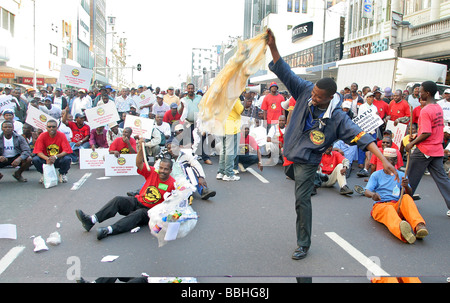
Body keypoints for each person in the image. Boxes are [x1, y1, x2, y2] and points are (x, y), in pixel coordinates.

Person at [266, 29, 398, 260]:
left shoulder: (338, 118)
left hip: (307, 160)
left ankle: (303, 244)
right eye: (313, 93)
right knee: (299, 185)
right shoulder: (306, 90)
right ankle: (316, 182)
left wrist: (384, 159)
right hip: (289, 156)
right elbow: (284, 71)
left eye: (318, 97)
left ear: (329, 97)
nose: (313, 98)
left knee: (302, 200)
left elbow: (362, 137)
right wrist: (273, 46)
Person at [75, 139, 176, 240]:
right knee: (118, 200)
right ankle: (91, 220)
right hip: (138, 201)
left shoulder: (172, 184)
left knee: (139, 213)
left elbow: (172, 206)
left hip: (149, 212)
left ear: (170, 170)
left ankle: (109, 230)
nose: (162, 171)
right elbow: (139, 164)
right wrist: (141, 148)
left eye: (166, 169)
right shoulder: (153, 172)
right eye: (161, 168)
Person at [405, 81, 450, 217]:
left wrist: (411, 144)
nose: (419, 92)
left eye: (422, 90)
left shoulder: (426, 110)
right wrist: (416, 136)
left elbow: (426, 133)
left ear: (428, 93)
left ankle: (404, 203)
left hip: (425, 150)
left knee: (410, 178)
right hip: (437, 149)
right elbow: (431, 130)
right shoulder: (437, 107)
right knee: (442, 180)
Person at [365, 148, 428, 244]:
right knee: (388, 209)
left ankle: (419, 226)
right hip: (381, 206)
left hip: (397, 206)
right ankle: (403, 232)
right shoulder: (376, 175)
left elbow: (409, 194)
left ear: (395, 162)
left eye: (390, 160)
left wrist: (406, 186)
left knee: (406, 198)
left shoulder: (402, 175)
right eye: (385, 160)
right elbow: (367, 191)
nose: (387, 162)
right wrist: (373, 194)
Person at [216, 98, 243, 181]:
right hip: (232, 126)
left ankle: (221, 172)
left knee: (224, 150)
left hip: (223, 125)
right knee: (230, 151)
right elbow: (241, 110)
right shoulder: (234, 97)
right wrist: (246, 100)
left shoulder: (223, 96)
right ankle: (229, 173)